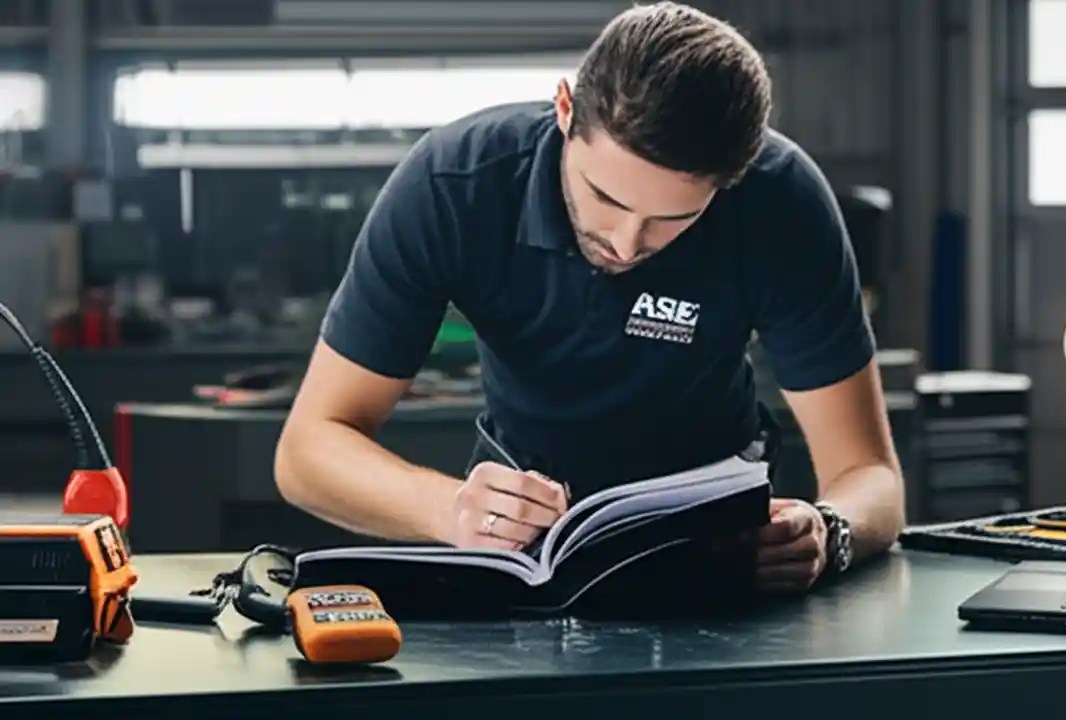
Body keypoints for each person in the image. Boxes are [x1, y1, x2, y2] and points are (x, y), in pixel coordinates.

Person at [275, 1, 905, 595]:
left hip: (721, 552)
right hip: (517, 551)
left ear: (734, 180)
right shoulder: (454, 184)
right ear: (564, 108)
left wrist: (830, 530)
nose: (627, 244)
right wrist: (449, 510)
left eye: (672, 219)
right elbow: (308, 451)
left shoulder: (782, 201)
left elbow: (871, 478)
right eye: (605, 198)